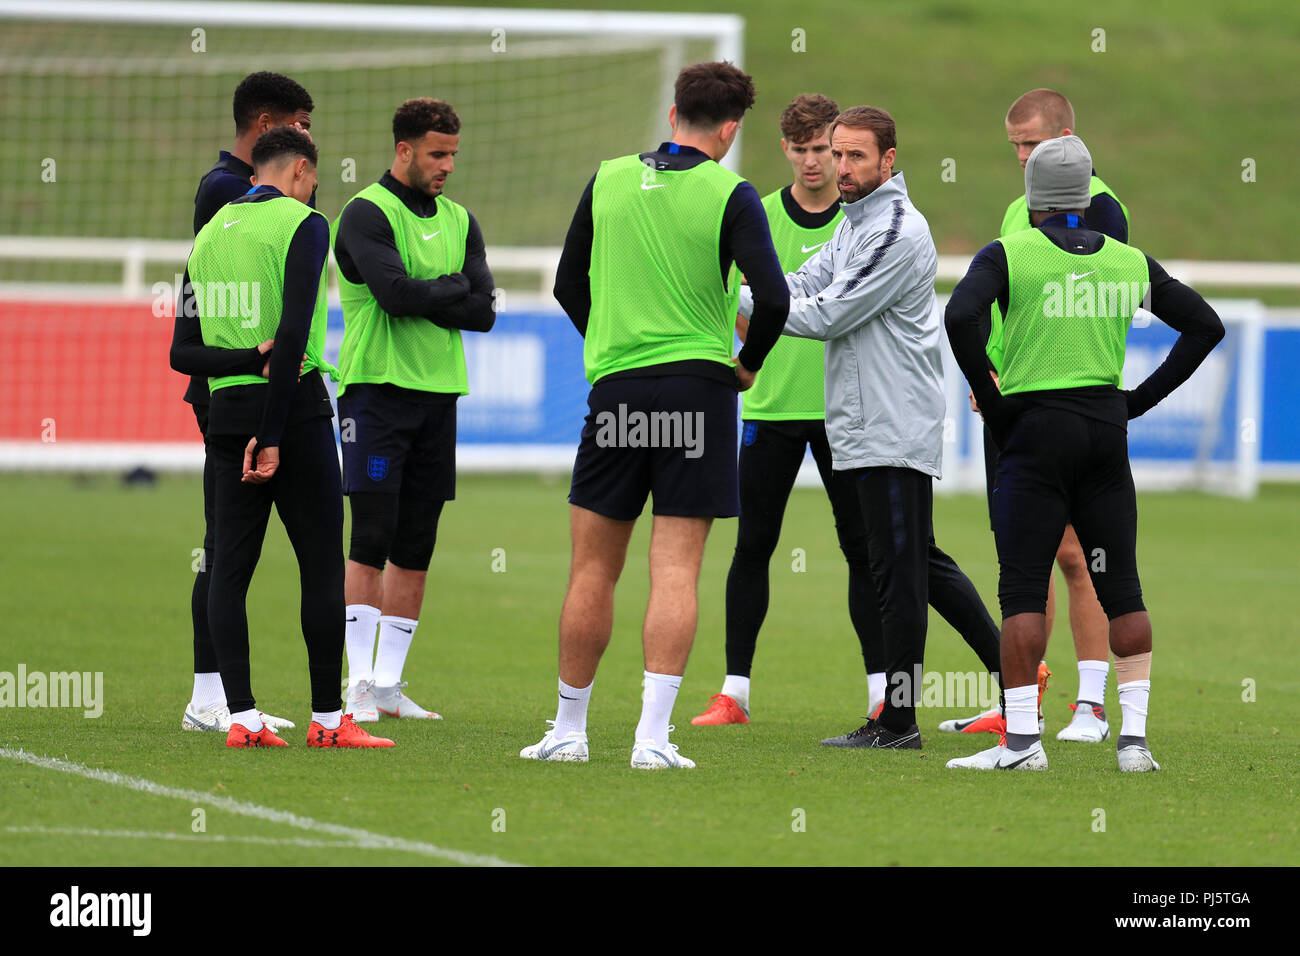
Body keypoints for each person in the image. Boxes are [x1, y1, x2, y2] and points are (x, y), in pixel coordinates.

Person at [692, 95, 1003, 732]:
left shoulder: (896, 227)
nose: (840, 167)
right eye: (836, 154)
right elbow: (803, 286)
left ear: (889, 160)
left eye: (854, 155)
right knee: (910, 563)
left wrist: (727, 304)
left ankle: (899, 720)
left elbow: (829, 313)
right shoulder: (855, 221)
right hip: (862, 424)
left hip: (891, 425)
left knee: (898, 576)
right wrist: (734, 291)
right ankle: (1011, 678)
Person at [522, 60, 789, 769]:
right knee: (675, 570)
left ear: (675, 114)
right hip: (697, 394)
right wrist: (749, 363)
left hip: (618, 392)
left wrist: (611, 344)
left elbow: (567, 283)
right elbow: (775, 297)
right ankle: (650, 739)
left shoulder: (607, 177)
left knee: (591, 569)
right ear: (729, 130)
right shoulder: (731, 193)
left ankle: (569, 731)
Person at [944, 135, 1223, 771]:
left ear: (1031, 197)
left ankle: (1021, 745)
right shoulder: (1128, 260)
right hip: (1104, 431)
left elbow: (961, 319)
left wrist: (994, 396)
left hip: (1033, 432)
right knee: (1121, 587)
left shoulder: (1010, 253)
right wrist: (1139, 400)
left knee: (1021, 589)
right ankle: (1133, 744)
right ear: (1088, 196)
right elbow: (1206, 326)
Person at [173, 126, 393, 748]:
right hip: (291, 417)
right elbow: (295, 336)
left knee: (227, 569)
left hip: (225, 418)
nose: (314, 195)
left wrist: (243, 359)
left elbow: (181, 354)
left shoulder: (209, 235)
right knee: (321, 564)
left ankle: (240, 719)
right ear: (300, 171)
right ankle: (328, 721)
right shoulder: (303, 224)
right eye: (314, 184)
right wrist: (271, 434)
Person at [941, 88, 1129, 743]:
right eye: (1015, 145)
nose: (1022, 157)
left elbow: (1073, 305)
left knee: (1079, 557)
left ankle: (1094, 707)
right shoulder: (1019, 209)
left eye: (1034, 145)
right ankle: (1023, 705)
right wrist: (989, 369)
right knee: (1026, 556)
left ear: (1067, 138)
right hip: (1013, 404)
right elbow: (1003, 305)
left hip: (1063, 408)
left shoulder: (1102, 210)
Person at [332, 98, 496, 723]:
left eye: (453, 153)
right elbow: (394, 297)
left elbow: (484, 311)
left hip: (438, 395)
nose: (447, 165)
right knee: (370, 536)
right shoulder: (366, 213)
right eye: (437, 154)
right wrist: (453, 287)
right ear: (404, 150)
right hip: (377, 391)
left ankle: (388, 686)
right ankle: (356, 685)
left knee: (416, 543)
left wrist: (444, 292)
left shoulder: (461, 219)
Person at [182, 71, 314, 735]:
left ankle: (219, 695)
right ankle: (209, 695)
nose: (309, 145)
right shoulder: (228, 193)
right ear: (268, 127)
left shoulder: (242, 194)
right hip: (237, 389)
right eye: (301, 126)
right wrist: (246, 359)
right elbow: (212, 293)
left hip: (251, 383)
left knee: (232, 546)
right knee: (224, 546)